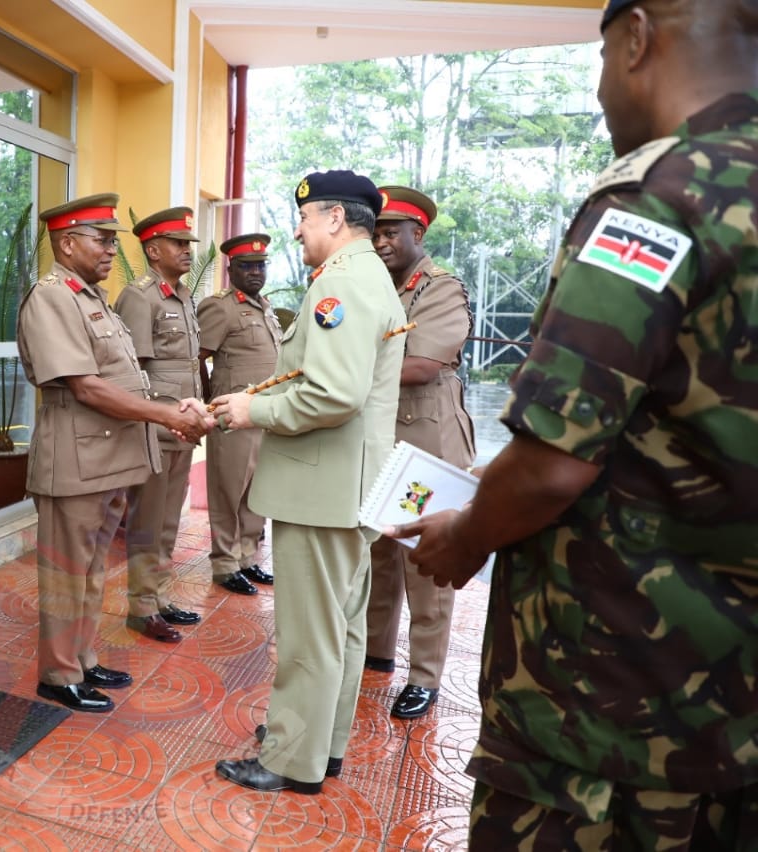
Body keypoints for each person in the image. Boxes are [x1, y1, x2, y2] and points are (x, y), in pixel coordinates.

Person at [387, 1, 758, 846]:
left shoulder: (658, 198)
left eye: (597, 61)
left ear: (637, 38)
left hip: (612, 709)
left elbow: (556, 460)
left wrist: (468, 534)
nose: (599, 91)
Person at [212, 170, 404, 794]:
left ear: (335, 219)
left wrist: (254, 411)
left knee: (308, 636)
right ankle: (324, 745)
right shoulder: (369, 275)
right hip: (349, 487)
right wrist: (248, 399)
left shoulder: (341, 283)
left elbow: (334, 394)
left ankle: (291, 760)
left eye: (304, 218)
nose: (297, 231)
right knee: (342, 629)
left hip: (322, 490)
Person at [17, 194, 213, 712]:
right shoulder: (53, 297)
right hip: (74, 460)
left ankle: (82, 659)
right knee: (67, 573)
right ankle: (59, 674)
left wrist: (172, 409)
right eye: (101, 240)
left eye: (112, 241)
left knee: (92, 570)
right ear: (67, 243)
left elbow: (130, 378)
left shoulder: (93, 298)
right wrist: (167, 416)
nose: (110, 250)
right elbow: (87, 387)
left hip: (105, 460)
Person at [364, 186, 475, 720]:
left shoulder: (440, 288)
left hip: (428, 440)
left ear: (418, 233)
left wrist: (343, 375)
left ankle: (425, 676)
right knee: (378, 549)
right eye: (375, 234)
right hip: (381, 434)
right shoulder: (376, 286)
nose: (381, 242)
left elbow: (424, 364)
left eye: (391, 233)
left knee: (424, 558)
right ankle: (377, 651)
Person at [112, 207, 205, 642]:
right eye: (178, 243)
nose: (187, 250)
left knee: (168, 520)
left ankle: (160, 596)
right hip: (155, 428)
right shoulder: (141, 297)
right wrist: (150, 423)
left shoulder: (182, 296)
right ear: (153, 250)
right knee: (147, 521)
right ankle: (142, 607)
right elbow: (132, 372)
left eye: (188, 244)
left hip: (182, 427)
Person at [197, 233, 282, 595]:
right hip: (231, 417)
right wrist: (208, 402)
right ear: (231, 269)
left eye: (260, 266)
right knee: (228, 492)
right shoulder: (220, 307)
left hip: (264, 415)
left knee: (256, 491)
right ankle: (224, 563)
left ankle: (247, 557)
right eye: (247, 266)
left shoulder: (265, 307)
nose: (255, 272)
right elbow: (196, 357)